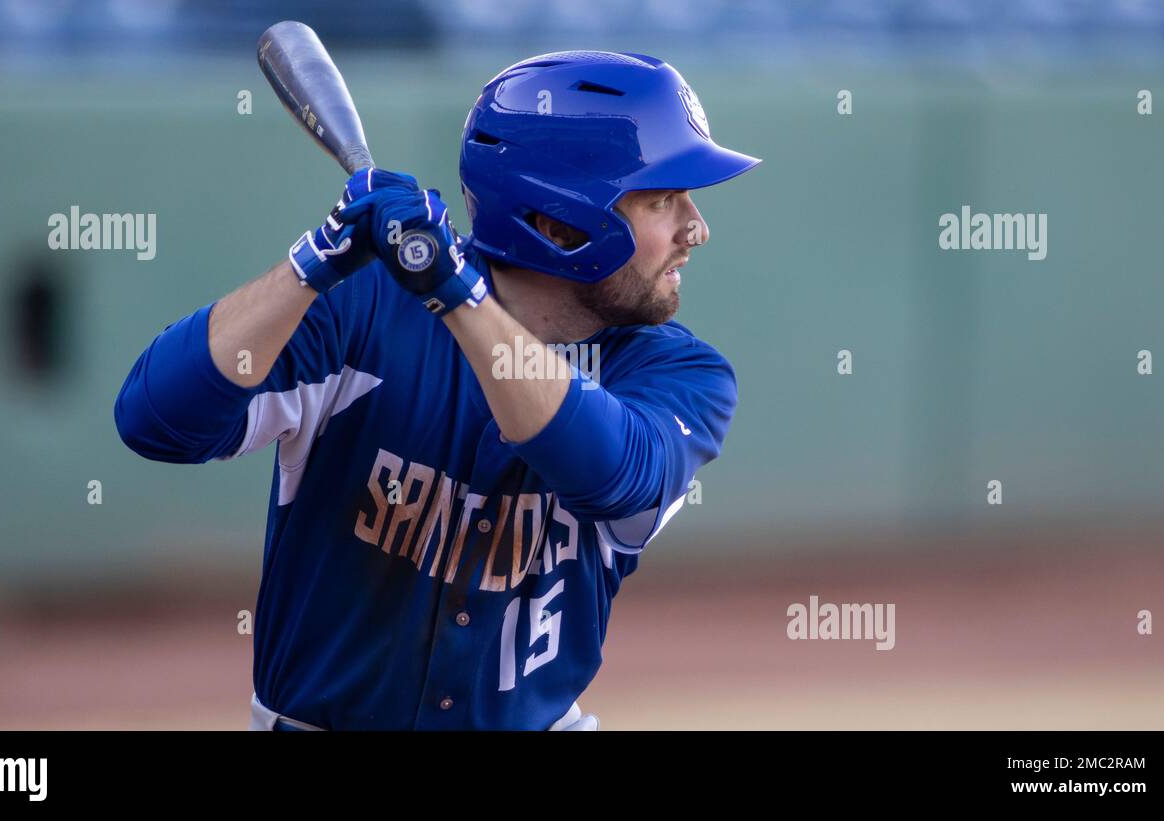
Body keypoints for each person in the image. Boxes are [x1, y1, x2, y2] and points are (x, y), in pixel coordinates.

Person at [114, 50, 760, 730]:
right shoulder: (361, 308)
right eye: (663, 200)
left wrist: (455, 291)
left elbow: (617, 475)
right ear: (563, 223)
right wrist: (313, 261)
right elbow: (155, 419)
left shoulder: (680, 374)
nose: (695, 228)